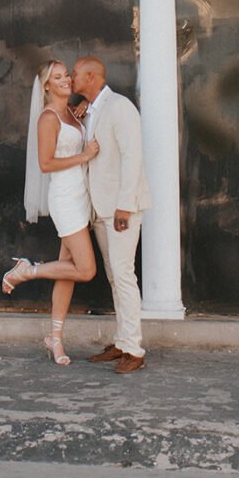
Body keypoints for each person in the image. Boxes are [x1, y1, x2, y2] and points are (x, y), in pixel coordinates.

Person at [1, 59, 99, 366]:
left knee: (67, 270)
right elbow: (46, 164)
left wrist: (83, 105)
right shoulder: (47, 118)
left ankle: (55, 339)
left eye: (66, 74)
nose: (66, 79)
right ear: (46, 86)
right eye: (57, 77)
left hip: (82, 194)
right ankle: (28, 271)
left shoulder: (71, 111)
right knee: (86, 270)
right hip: (66, 197)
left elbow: (78, 124)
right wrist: (83, 155)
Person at [71, 55, 151, 375]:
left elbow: (133, 157)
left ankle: (134, 348)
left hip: (120, 208)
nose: (73, 78)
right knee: (115, 277)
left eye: (76, 74)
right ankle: (121, 341)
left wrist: (125, 205)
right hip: (101, 209)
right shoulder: (91, 109)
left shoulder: (120, 107)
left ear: (91, 77)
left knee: (123, 275)